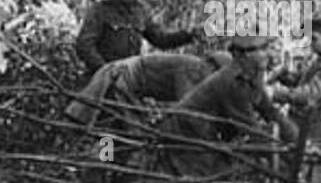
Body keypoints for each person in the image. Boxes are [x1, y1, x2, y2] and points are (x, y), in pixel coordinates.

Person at [122, 34, 288, 183]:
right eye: (258, 50)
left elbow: (270, 111)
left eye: (265, 48)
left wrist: (299, 142)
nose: (266, 53)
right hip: (186, 138)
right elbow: (249, 127)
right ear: (241, 56)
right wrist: (279, 157)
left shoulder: (253, 76)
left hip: (201, 139)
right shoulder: (230, 81)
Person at [269, 14, 321, 183]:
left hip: (319, 126)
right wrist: (286, 77)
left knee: (315, 172)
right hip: (309, 122)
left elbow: (310, 93)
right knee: (302, 168)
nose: (312, 44)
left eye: (315, 39)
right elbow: (305, 82)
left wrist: (277, 94)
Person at [74, 0, 199, 75]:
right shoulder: (101, 10)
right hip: (103, 76)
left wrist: (190, 35)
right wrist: (105, 70)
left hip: (131, 77)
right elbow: (84, 45)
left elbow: (161, 39)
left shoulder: (140, 11)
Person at [64, 51, 232, 128]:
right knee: (129, 133)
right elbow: (186, 109)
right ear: (211, 66)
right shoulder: (192, 68)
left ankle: (111, 174)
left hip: (130, 85)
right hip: (122, 78)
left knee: (117, 131)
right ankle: (101, 173)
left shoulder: (197, 72)